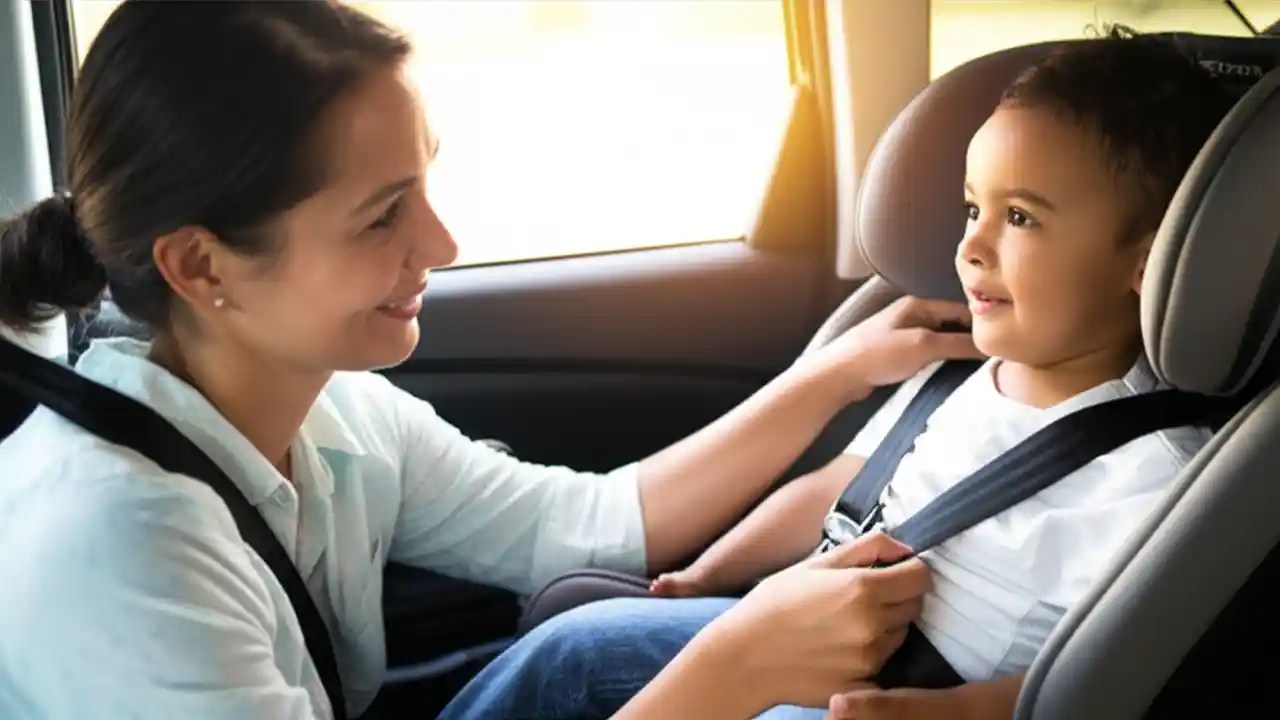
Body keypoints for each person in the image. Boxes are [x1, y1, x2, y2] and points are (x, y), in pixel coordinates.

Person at [0, 3, 986, 719]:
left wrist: (834, 375)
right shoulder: (117, 543)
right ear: (200, 264)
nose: (441, 243)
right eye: (383, 214)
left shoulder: (331, 410)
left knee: (580, 647)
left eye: (425, 183)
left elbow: (592, 525)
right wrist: (734, 664)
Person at [436, 32, 1237, 720]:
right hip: (805, 641)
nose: (971, 247)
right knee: (575, 645)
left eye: (1020, 217)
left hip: (924, 702)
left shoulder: (1157, 471)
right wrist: (706, 580)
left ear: (1148, 260)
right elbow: (834, 492)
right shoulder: (955, 376)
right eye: (971, 209)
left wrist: (953, 713)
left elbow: (1106, 673)